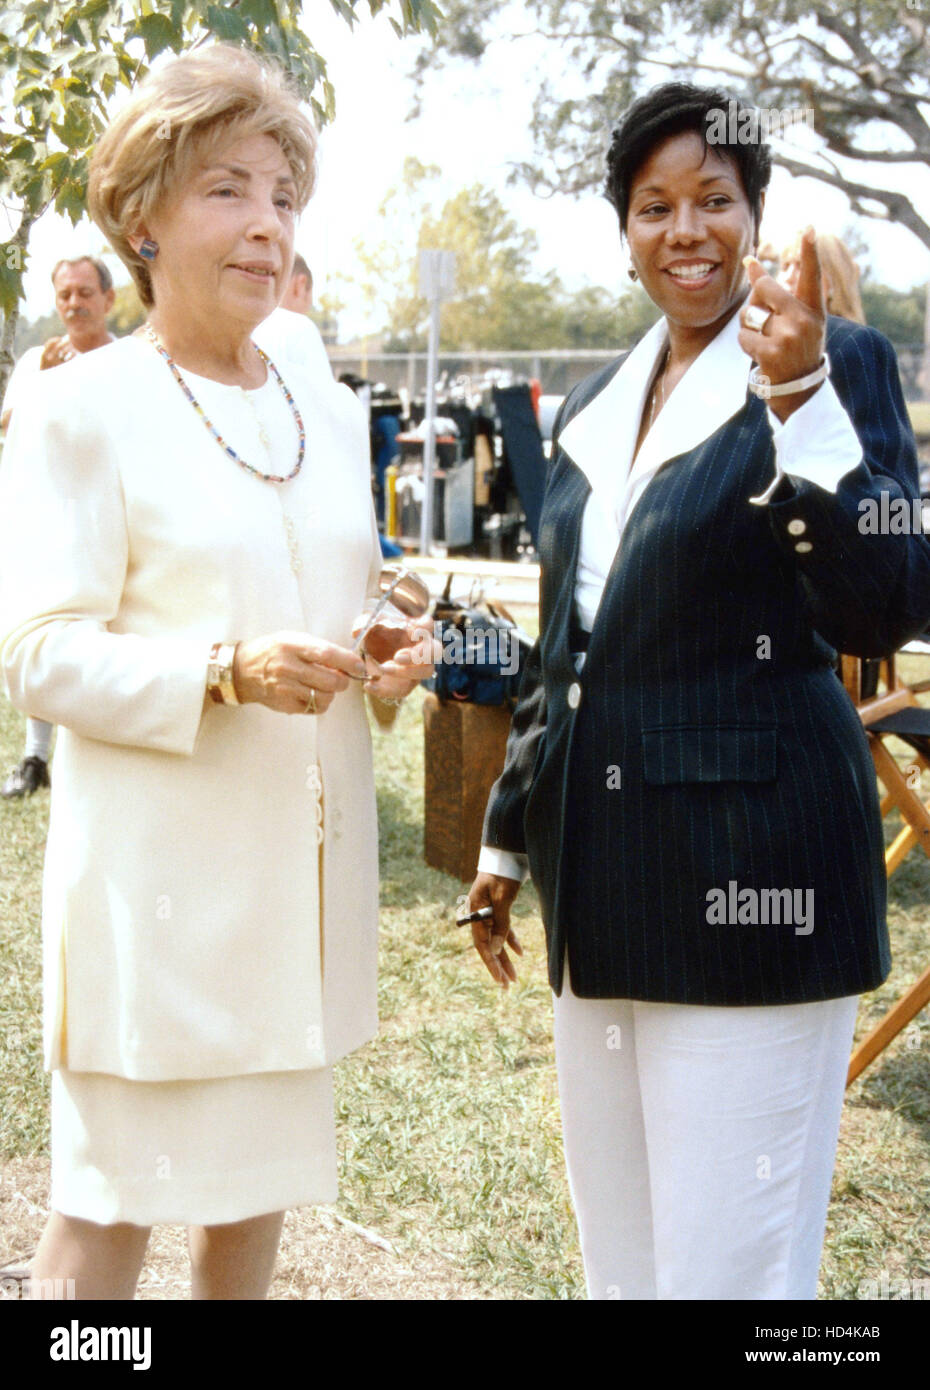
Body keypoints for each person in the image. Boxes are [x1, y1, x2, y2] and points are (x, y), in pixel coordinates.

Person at [466, 82, 930, 1300]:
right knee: (625, 1272)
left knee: (730, 1279)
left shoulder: (840, 366)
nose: (688, 230)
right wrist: (508, 839)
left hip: (757, 879)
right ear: (624, 230)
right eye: (656, 205)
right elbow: (569, 648)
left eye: (714, 201)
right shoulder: (589, 408)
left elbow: (885, 601)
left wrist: (801, 404)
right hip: (601, 887)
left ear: (754, 215)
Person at [0, 43, 433, 1301]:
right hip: (159, 905)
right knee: (107, 1224)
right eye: (226, 189)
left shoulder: (314, 383)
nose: (265, 224)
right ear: (143, 215)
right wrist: (224, 671)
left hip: (296, 893)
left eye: (284, 194)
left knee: (252, 1204)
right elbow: (35, 655)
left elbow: (344, 576)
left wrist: (384, 637)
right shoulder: (81, 410)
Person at [0, 256, 116, 799]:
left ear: (108, 299)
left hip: (113, 520)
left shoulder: (128, 360)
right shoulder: (35, 360)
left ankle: (95, 756)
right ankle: (35, 757)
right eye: (65, 295)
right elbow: (11, 428)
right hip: (51, 517)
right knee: (46, 630)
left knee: (107, 636)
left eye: (85, 293)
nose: (75, 304)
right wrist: (44, 381)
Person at [779, 232, 865, 325]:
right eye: (785, 266)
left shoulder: (856, 337)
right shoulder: (765, 333)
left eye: (802, 266)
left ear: (834, 281)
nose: (788, 277)